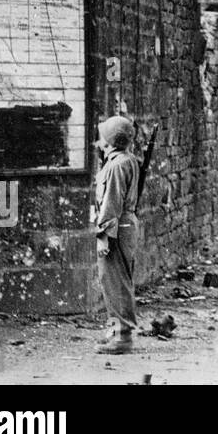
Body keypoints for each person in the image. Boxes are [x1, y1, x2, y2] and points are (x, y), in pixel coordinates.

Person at [94, 115, 140, 354]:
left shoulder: (115, 165)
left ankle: (122, 337)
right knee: (115, 281)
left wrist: (103, 236)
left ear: (110, 140)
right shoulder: (127, 160)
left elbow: (111, 204)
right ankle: (114, 330)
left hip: (116, 228)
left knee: (115, 283)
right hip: (125, 225)